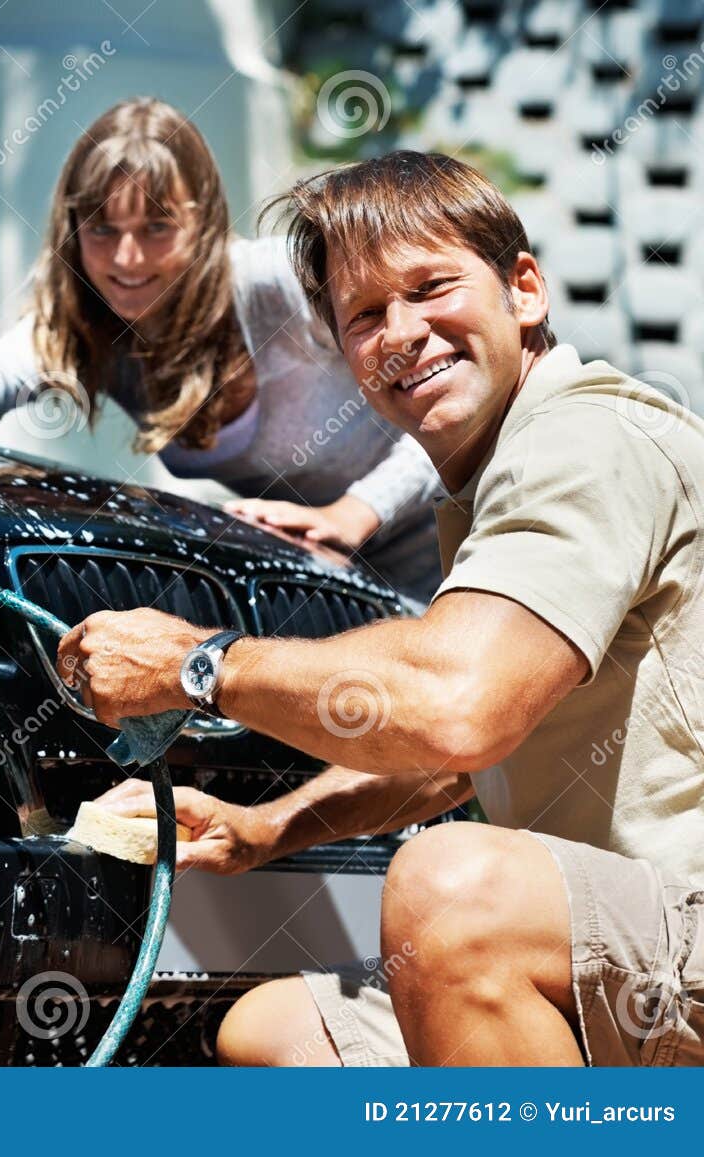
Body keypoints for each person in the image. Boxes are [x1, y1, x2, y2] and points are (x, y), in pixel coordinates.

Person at [62, 150, 704, 1066]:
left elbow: (455, 712)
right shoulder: (486, 482)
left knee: (450, 890)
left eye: (431, 286)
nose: (401, 332)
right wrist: (268, 828)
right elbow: (464, 756)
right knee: (277, 1034)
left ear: (524, 290)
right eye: (364, 316)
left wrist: (195, 664)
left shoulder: (583, 439)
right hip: (627, 948)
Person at [0, 97, 444, 603]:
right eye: (101, 229)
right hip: (333, 583)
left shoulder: (275, 286)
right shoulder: (98, 319)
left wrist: (357, 512)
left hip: (450, 543)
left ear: (204, 221)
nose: (127, 258)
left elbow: (439, 403)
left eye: (157, 226)